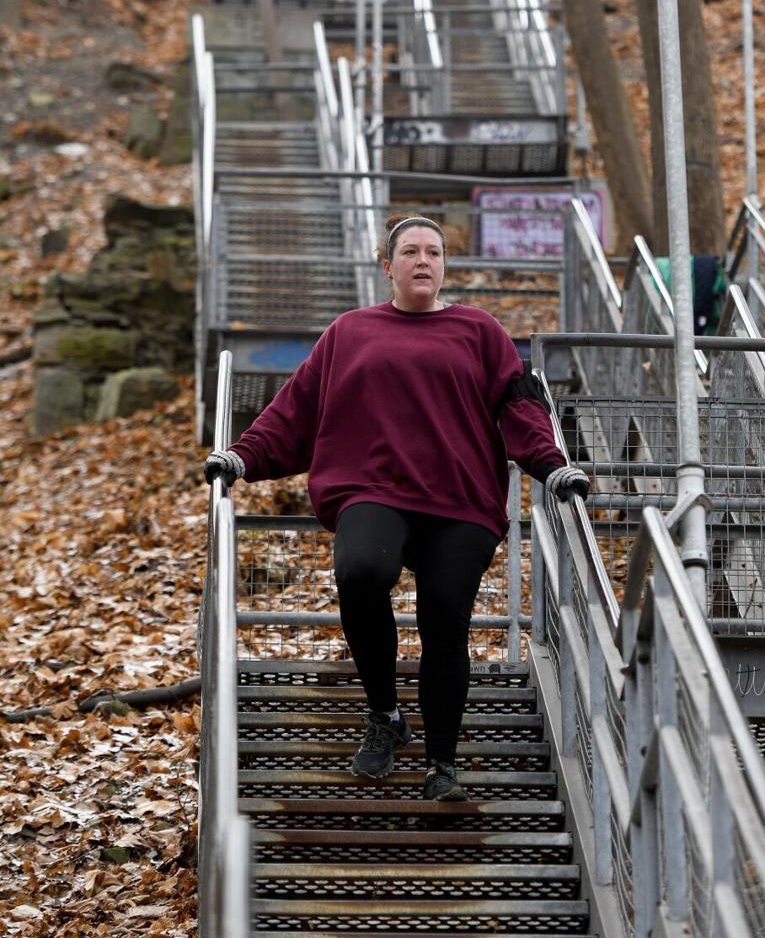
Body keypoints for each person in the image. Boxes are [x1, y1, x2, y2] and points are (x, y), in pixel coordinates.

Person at [204, 213, 588, 801]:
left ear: (443, 266)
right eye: (410, 251)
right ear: (388, 266)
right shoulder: (350, 331)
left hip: (458, 499)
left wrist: (550, 463)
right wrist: (241, 457)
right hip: (373, 488)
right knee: (361, 571)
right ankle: (385, 714)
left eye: (434, 252)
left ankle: (442, 765)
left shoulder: (480, 331)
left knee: (444, 615)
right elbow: (295, 409)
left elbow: (521, 407)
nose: (423, 261)